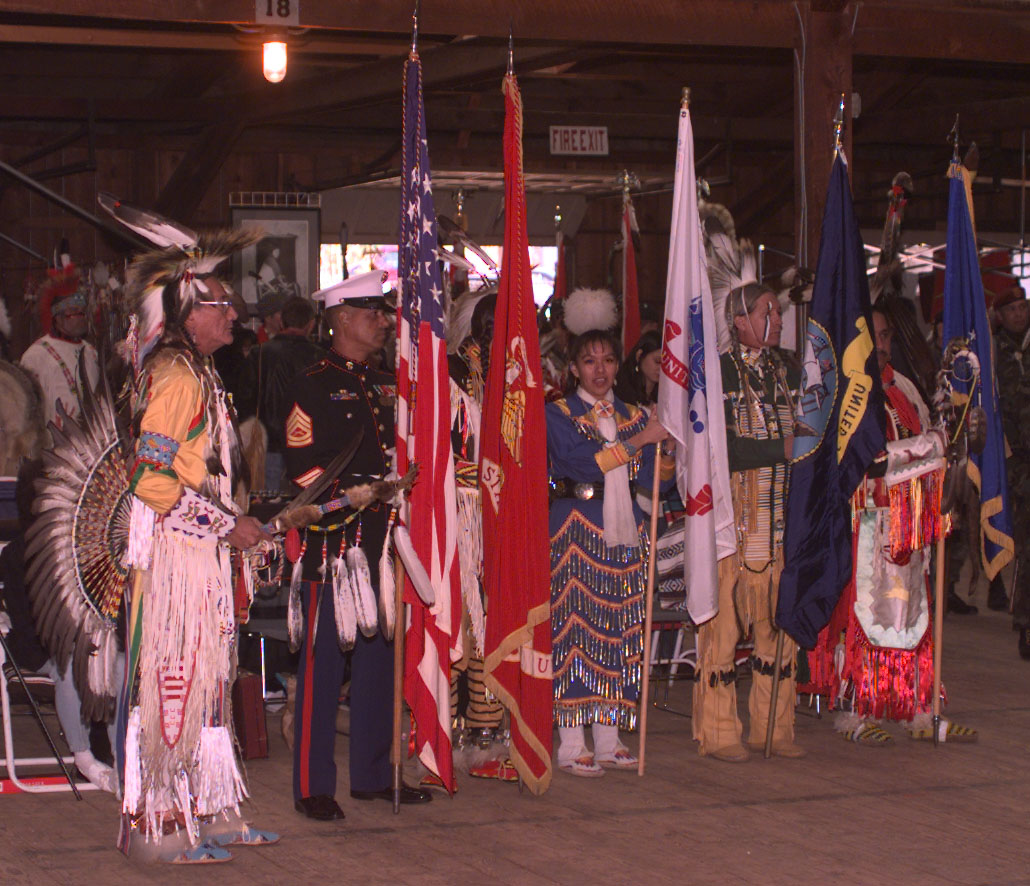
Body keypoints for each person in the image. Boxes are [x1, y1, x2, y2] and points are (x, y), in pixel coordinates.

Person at [109, 209, 278, 862]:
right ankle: (160, 825)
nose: (233, 315)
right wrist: (225, 524)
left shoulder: (198, 373)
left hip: (200, 560)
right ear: (187, 312)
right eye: (221, 305)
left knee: (208, 682)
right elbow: (149, 478)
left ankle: (206, 808)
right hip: (176, 562)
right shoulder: (178, 378)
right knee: (174, 685)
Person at [285, 270, 431, 821]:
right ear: (342, 319)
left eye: (383, 313)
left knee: (379, 656)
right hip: (332, 541)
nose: (383, 322)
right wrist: (353, 495)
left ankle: (373, 774)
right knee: (323, 662)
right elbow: (302, 468)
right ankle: (312, 785)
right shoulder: (311, 383)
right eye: (373, 313)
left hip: (383, 537)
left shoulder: (388, 383)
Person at [805, 306, 977, 744]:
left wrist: (947, 441)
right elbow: (871, 460)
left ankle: (918, 708)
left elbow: (926, 446)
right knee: (867, 616)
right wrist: (930, 446)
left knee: (912, 617)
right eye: (874, 336)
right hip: (867, 523)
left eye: (886, 336)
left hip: (910, 523)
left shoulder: (902, 387)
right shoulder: (850, 394)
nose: (881, 345)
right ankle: (856, 711)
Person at [546, 288, 673, 777]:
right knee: (575, 629)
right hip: (575, 529)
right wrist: (641, 440)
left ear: (618, 367)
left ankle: (608, 737)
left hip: (626, 530)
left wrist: (667, 451)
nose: (599, 370)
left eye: (607, 360)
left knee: (620, 628)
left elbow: (655, 482)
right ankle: (570, 742)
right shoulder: (558, 414)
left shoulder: (635, 415)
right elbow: (581, 463)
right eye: (589, 361)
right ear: (574, 369)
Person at [695, 245, 803, 763]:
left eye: (778, 312)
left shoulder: (790, 372)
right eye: (767, 311)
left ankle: (773, 729)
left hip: (780, 522)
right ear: (739, 322)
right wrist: (781, 449)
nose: (777, 320)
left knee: (778, 631)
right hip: (733, 524)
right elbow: (724, 449)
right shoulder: (720, 374)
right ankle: (719, 733)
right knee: (723, 633)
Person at [446, 291, 512, 779]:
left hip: (500, 514)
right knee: (456, 621)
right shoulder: (450, 371)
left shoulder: (516, 376)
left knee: (490, 623)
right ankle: (440, 732)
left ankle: (486, 739)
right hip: (458, 512)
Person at [992, 285, 1030, 657]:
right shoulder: (992, 353)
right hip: (1014, 462)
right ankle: (1025, 622)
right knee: (1023, 542)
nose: (1020, 314)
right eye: (1013, 309)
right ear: (1000, 317)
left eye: (1023, 307)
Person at [253, 295, 324, 493]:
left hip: (267, 443)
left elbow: (246, 398)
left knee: (266, 504)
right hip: (306, 444)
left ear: (282, 322)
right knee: (305, 503)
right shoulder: (319, 357)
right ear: (311, 324)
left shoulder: (259, 353)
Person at [20, 263, 99, 432]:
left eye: (83, 313)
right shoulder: (36, 355)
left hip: (96, 438)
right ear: (57, 318)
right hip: (55, 440)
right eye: (74, 313)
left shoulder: (90, 351)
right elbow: (26, 410)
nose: (81, 318)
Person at [614, 329, 662, 408]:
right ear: (639, 356)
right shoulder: (621, 391)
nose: (661, 368)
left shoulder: (665, 394)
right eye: (657, 361)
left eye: (666, 364)